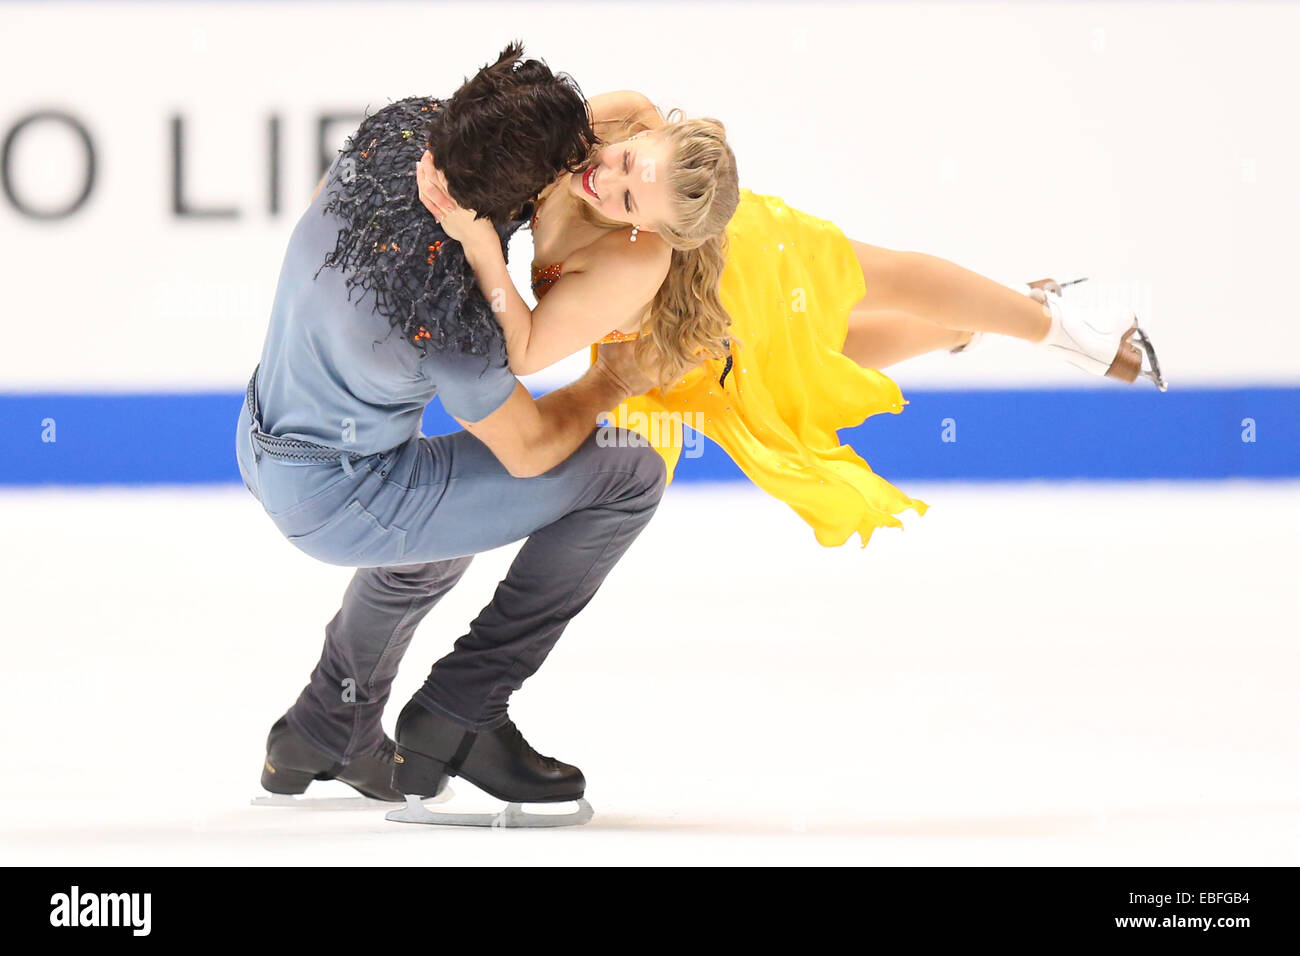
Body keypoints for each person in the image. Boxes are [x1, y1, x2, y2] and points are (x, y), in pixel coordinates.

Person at [417, 90, 1166, 549]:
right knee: (816, 364)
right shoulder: (614, 118)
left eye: (627, 200)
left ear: (656, 233)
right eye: (623, 162)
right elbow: (524, 135)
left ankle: (1061, 327)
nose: (602, 179)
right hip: (718, 302)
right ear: (647, 130)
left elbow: (524, 349)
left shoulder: (625, 269)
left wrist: (481, 246)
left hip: (730, 279)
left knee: (881, 283)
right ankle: (964, 327)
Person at [236, 46, 666, 825]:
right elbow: (529, 448)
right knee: (628, 470)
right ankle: (465, 711)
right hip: (334, 498)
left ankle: (327, 726)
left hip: (263, 431)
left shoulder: (400, 128)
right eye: (571, 164)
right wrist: (613, 379)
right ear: (527, 192)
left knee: (438, 534)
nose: (589, 168)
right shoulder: (459, 312)